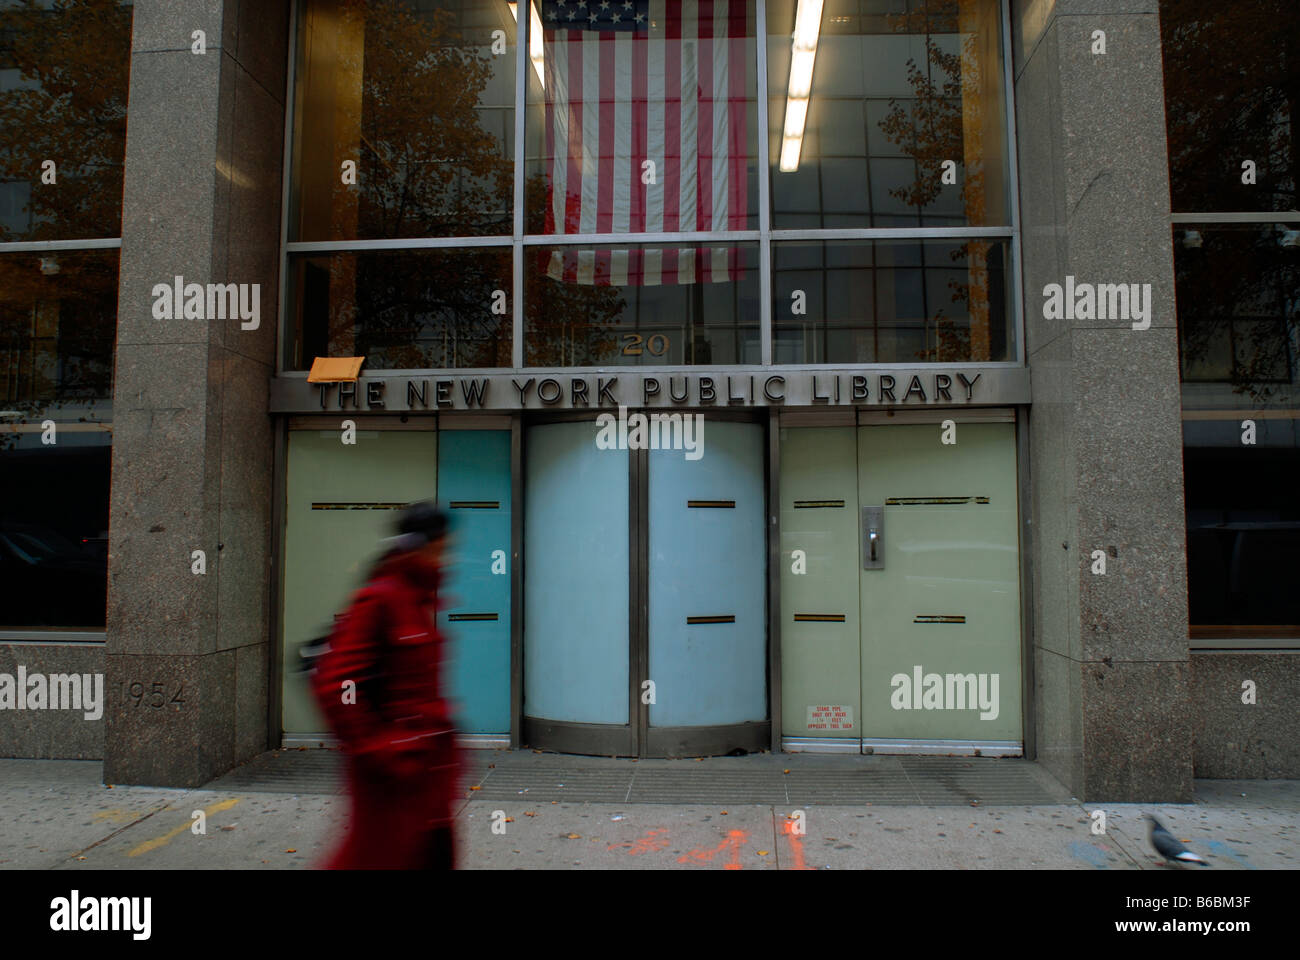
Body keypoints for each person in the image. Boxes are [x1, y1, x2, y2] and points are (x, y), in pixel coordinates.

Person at [311, 501, 461, 869]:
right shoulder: (380, 598)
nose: (447, 559)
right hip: (393, 781)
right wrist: (381, 748)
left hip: (425, 780)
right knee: (374, 858)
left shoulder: (416, 599)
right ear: (419, 546)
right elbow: (337, 683)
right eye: (441, 549)